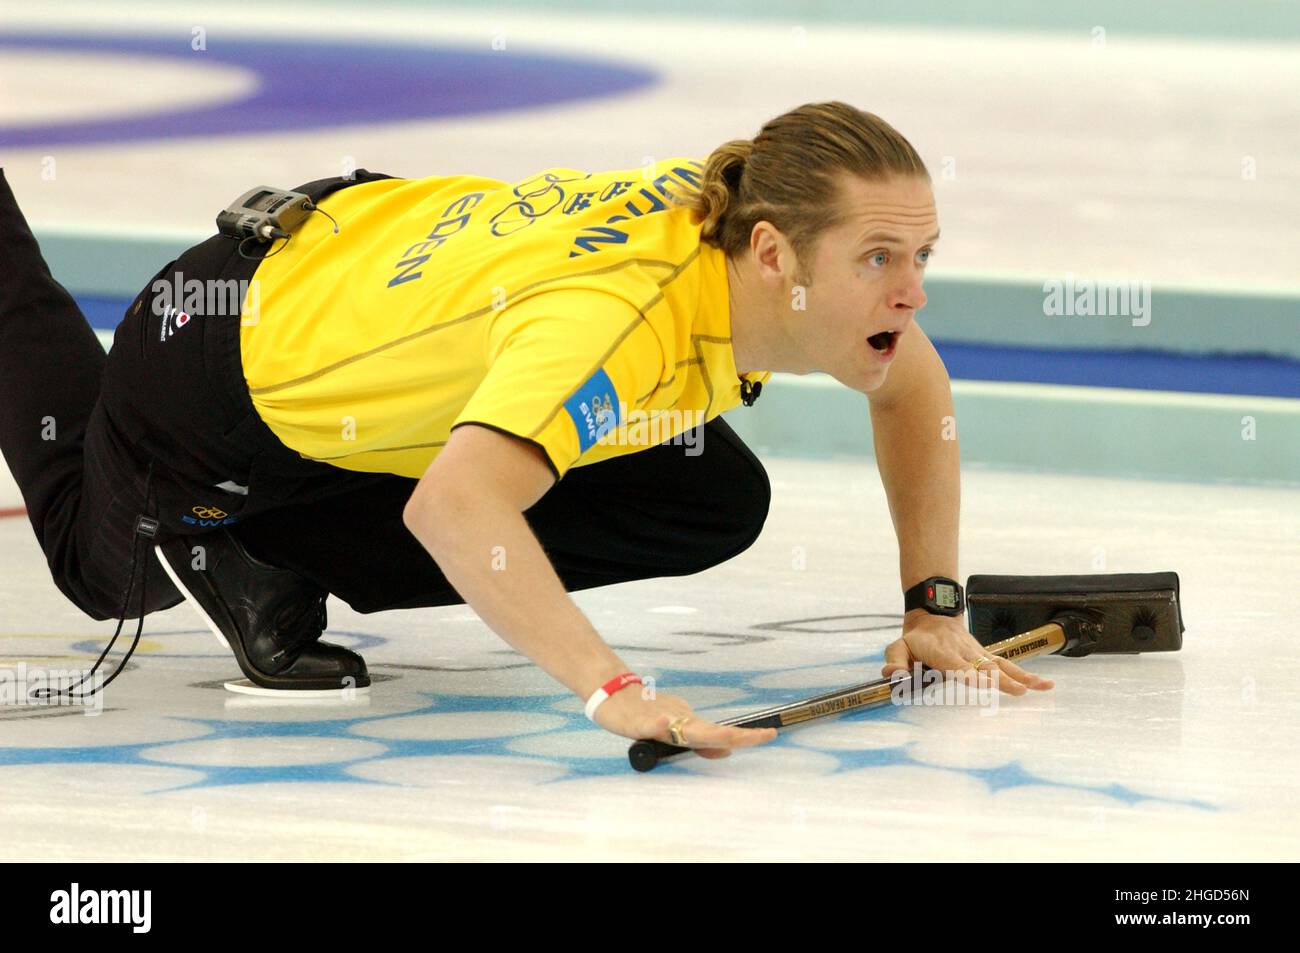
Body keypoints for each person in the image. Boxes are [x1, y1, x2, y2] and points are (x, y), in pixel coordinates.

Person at [0, 101, 1052, 760]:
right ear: (774, 254)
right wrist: (614, 690)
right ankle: (226, 533)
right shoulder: (619, 324)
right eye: (880, 259)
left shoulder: (737, 243)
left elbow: (912, 387)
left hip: (345, 303)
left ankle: (264, 545)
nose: (911, 292)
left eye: (922, 256)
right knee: (110, 576)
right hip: (211, 360)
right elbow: (457, 507)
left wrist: (933, 604)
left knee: (708, 494)